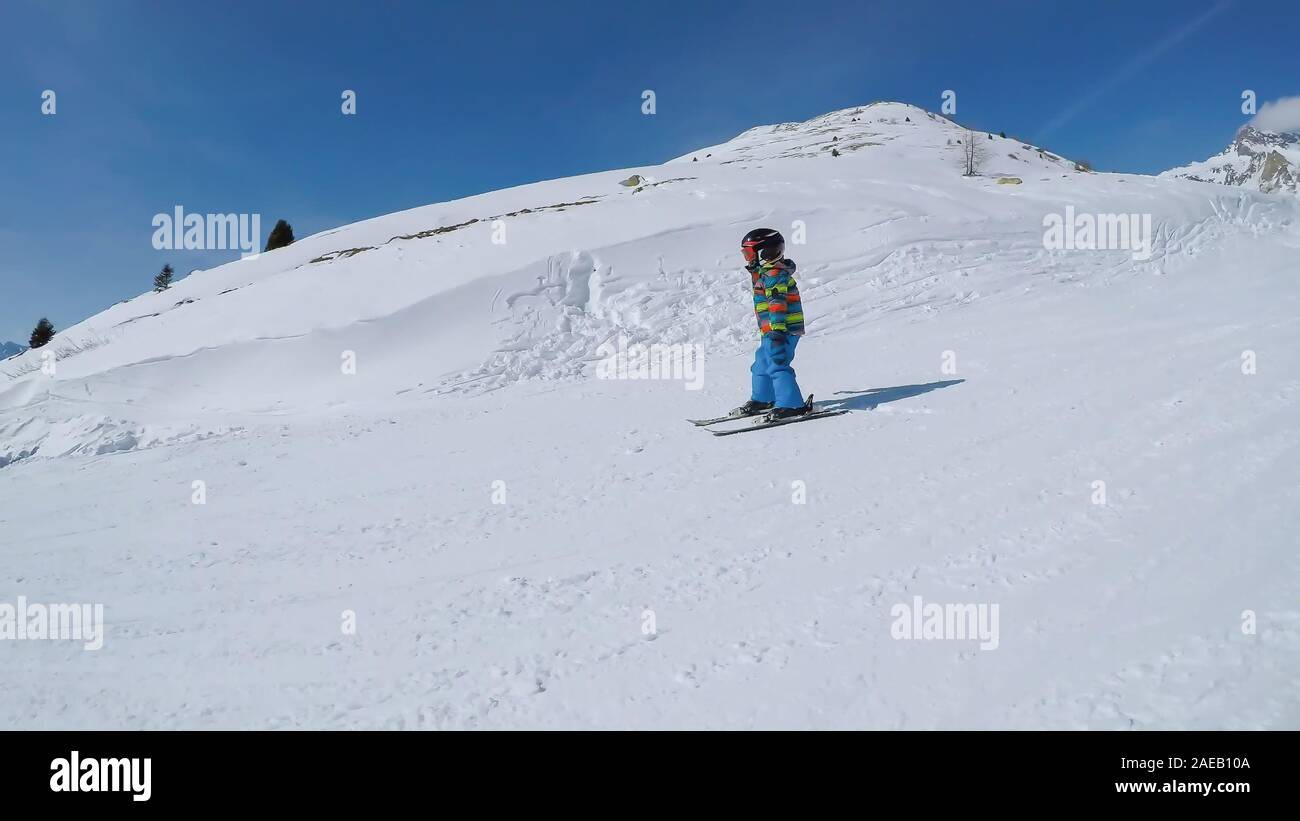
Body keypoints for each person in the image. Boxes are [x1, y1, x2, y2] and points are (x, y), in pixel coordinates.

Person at [731, 228, 808, 421]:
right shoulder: (765, 273)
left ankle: (792, 405)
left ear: (765, 253)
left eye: (749, 253)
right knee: (761, 365)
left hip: (783, 330)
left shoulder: (775, 274)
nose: (747, 259)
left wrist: (778, 332)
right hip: (771, 331)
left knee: (777, 364)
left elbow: (777, 304)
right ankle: (763, 399)